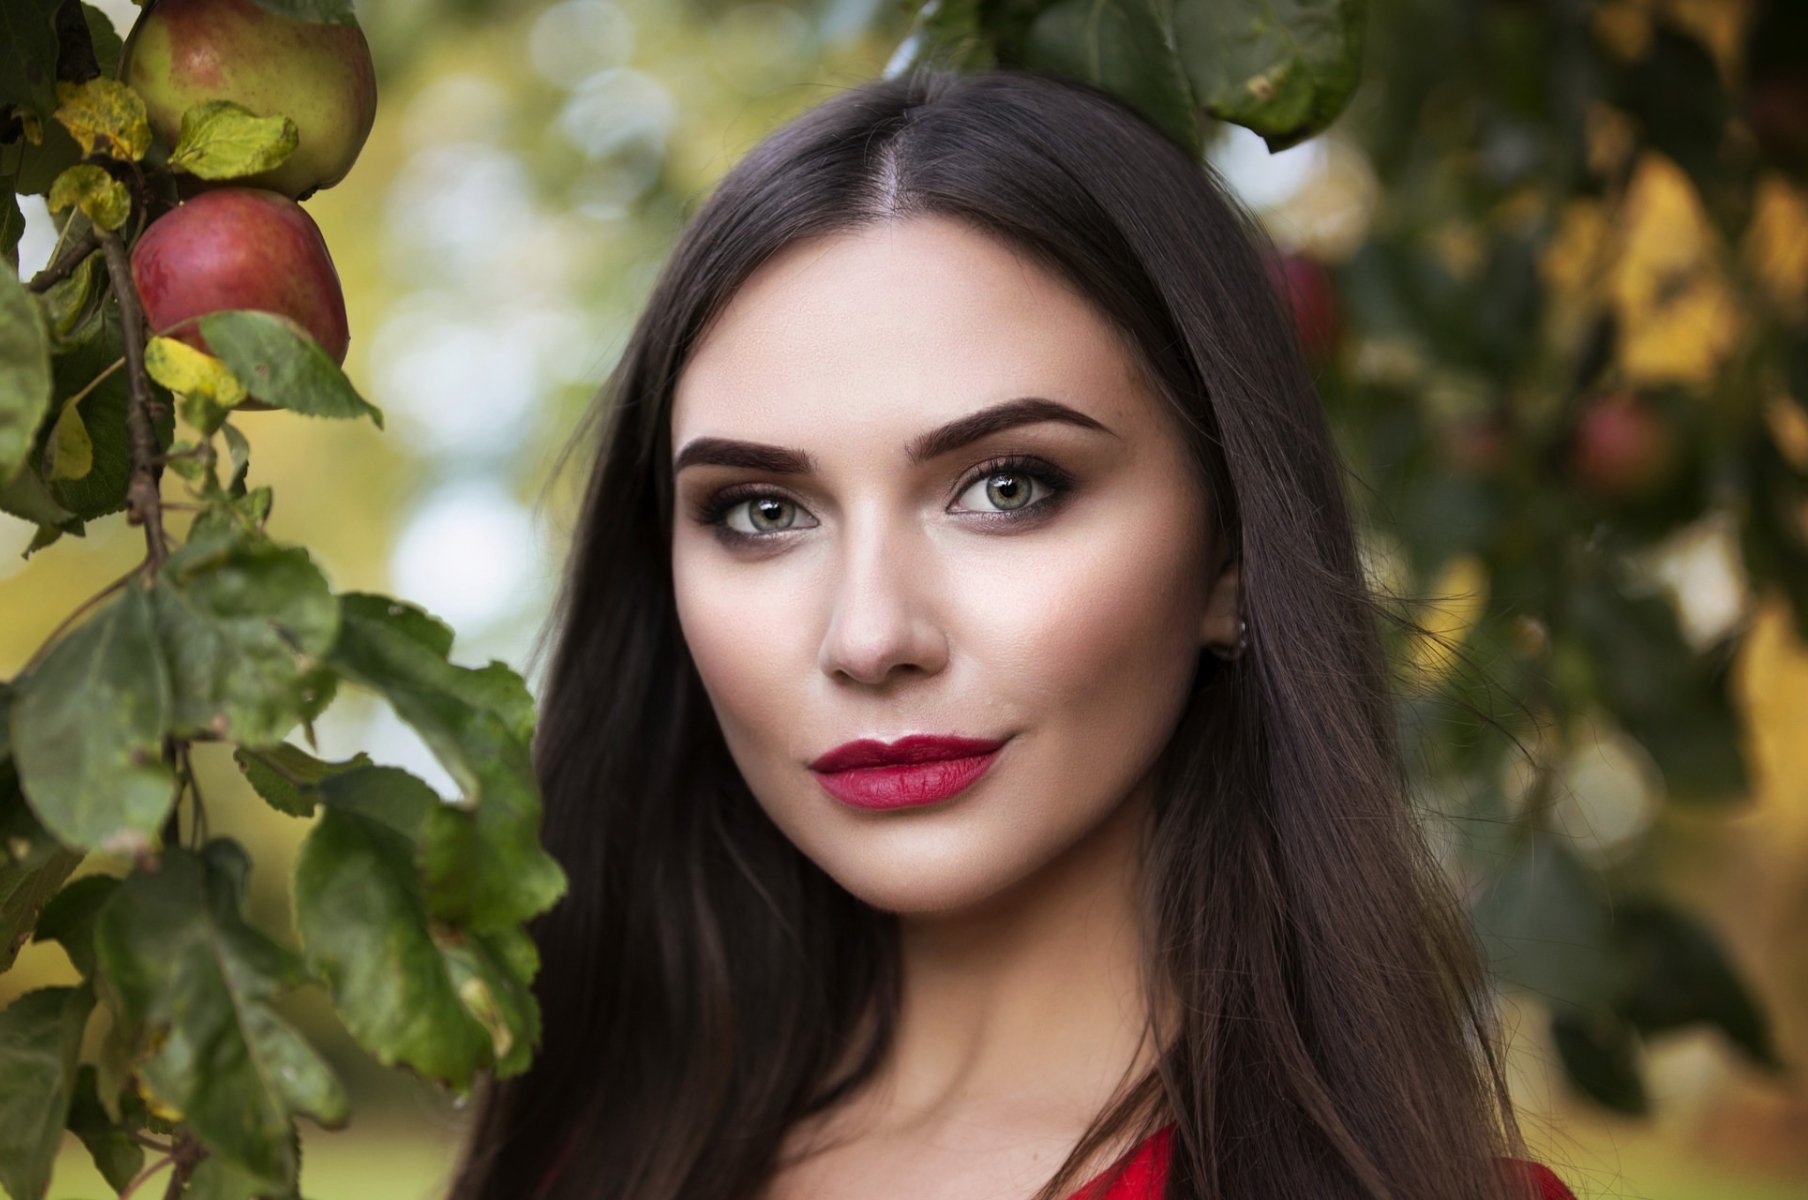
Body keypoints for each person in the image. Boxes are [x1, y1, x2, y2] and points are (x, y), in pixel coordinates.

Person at [443, 66, 1580, 1200]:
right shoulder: (575, 1170)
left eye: (1007, 488)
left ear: (1232, 553)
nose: (872, 635)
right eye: (764, 512)